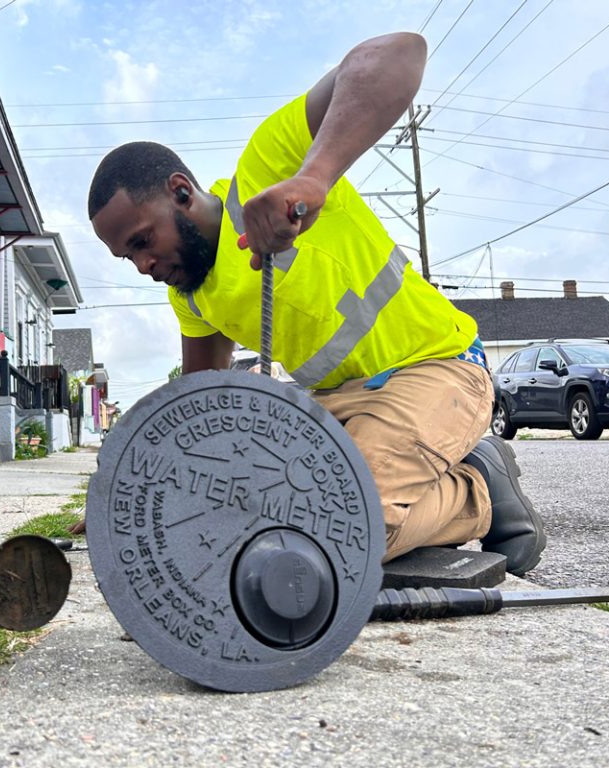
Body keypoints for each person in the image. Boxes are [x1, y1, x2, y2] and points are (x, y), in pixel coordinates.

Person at [86, 32, 545, 575]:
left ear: (181, 192)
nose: (142, 265)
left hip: (438, 370)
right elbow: (196, 411)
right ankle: (432, 485)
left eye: (142, 241)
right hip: (338, 406)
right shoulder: (191, 294)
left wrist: (314, 175)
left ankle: (477, 493)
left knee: (330, 535)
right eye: (127, 258)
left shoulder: (268, 165)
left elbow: (401, 53)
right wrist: (130, 493)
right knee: (249, 517)